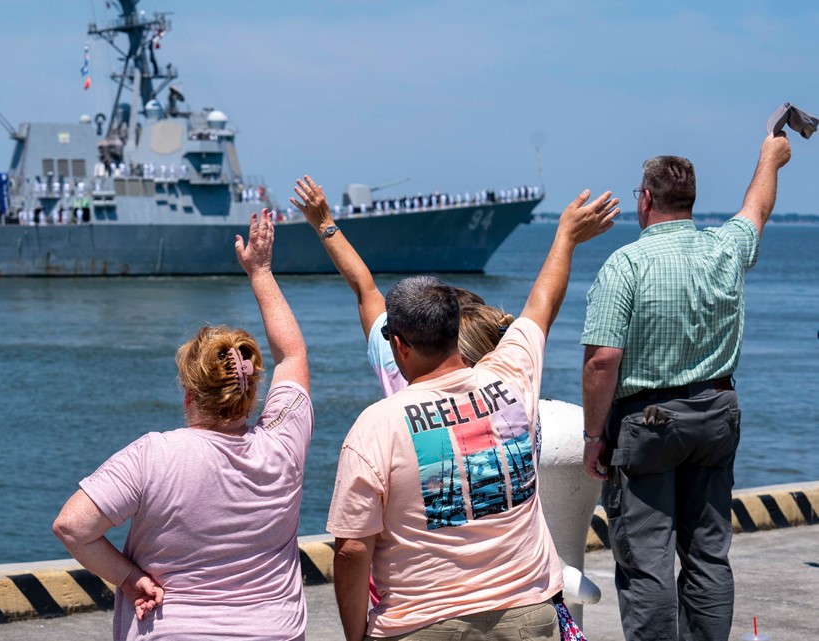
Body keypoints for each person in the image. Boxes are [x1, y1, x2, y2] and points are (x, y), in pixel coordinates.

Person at [311, 176, 617, 640]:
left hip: (423, 624)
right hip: (526, 616)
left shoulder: (380, 420)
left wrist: (326, 224)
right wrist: (566, 238)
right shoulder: (512, 378)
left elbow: (352, 549)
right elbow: (541, 305)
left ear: (398, 345)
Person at [53, 209, 312, 640]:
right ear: (250, 392)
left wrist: (128, 577)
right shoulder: (284, 440)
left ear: (190, 395)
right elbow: (292, 355)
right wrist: (261, 271)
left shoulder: (154, 454)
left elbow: (72, 527)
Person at [580, 133, 792, 641]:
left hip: (649, 423)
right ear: (690, 200)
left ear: (646, 199)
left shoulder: (626, 265)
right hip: (717, 413)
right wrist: (771, 157)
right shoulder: (724, 249)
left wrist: (593, 438)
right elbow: (756, 208)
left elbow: (602, 361)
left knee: (646, 559)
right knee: (708, 555)